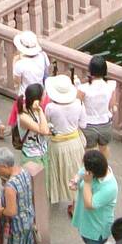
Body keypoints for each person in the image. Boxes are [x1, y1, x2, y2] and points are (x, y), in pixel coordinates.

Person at [71, 148, 119, 244]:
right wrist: (76, 180)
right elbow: (82, 171)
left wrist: (86, 183)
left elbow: (90, 204)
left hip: (96, 229)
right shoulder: (91, 173)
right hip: (85, 221)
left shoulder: (109, 187)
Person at [43, 73, 87, 206]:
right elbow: (83, 124)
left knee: (55, 170)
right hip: (75, 142)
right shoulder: (79, 104)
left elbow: (47, 124)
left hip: (57, 143)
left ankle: (54, 195)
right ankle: (75, 203)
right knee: (76, 171)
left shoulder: (51, 107)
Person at [77, 54, 118, 152]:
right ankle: (104, 167)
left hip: (88, 124)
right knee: (104, 149)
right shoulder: (110, 86)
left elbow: (77, 105)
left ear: (90, 70)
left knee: (88, 152)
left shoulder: (83, 88)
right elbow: (112, 106)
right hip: (105, 124)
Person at [16, 83, 50, 165]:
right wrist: (40, 110)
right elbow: (44, 131)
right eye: (43, 95)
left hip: (42, 151)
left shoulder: (34, 110)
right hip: (32, 155)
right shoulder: (23, 116)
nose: (45, 97)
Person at [12, 29, 49, 95]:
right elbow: (46, 73)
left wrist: (14, 62)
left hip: (25, 94)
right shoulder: (43, 56)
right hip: (40, 92)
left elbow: (16, 81)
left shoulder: (20, 64)